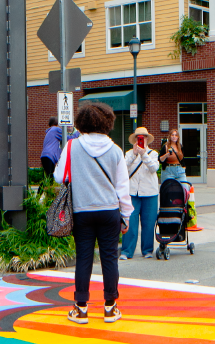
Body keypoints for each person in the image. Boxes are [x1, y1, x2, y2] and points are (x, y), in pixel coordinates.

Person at [54, 103, 132, 325]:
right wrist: (125, 216)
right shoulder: (116, 150)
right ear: (107, 122)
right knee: (110, 258)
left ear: (82, 122)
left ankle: (81, 308)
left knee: (84, 259)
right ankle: (110, 307)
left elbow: (59, 177)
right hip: (109, 211)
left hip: (82, 211)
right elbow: (122, 187)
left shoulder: (72, 146)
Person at [121, 127, 159, 260]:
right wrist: (134, 154)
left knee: (148, 223)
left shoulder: (153, 154)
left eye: (143, 137)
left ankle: (147, 250)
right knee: (130, 222)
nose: (140, 140)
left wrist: (144, 155)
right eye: (138, 138)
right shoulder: (129, 153)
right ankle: (126, 251)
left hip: (150, 192)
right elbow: (123, 168)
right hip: (132, 193)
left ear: (147, 139)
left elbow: (154, 168)